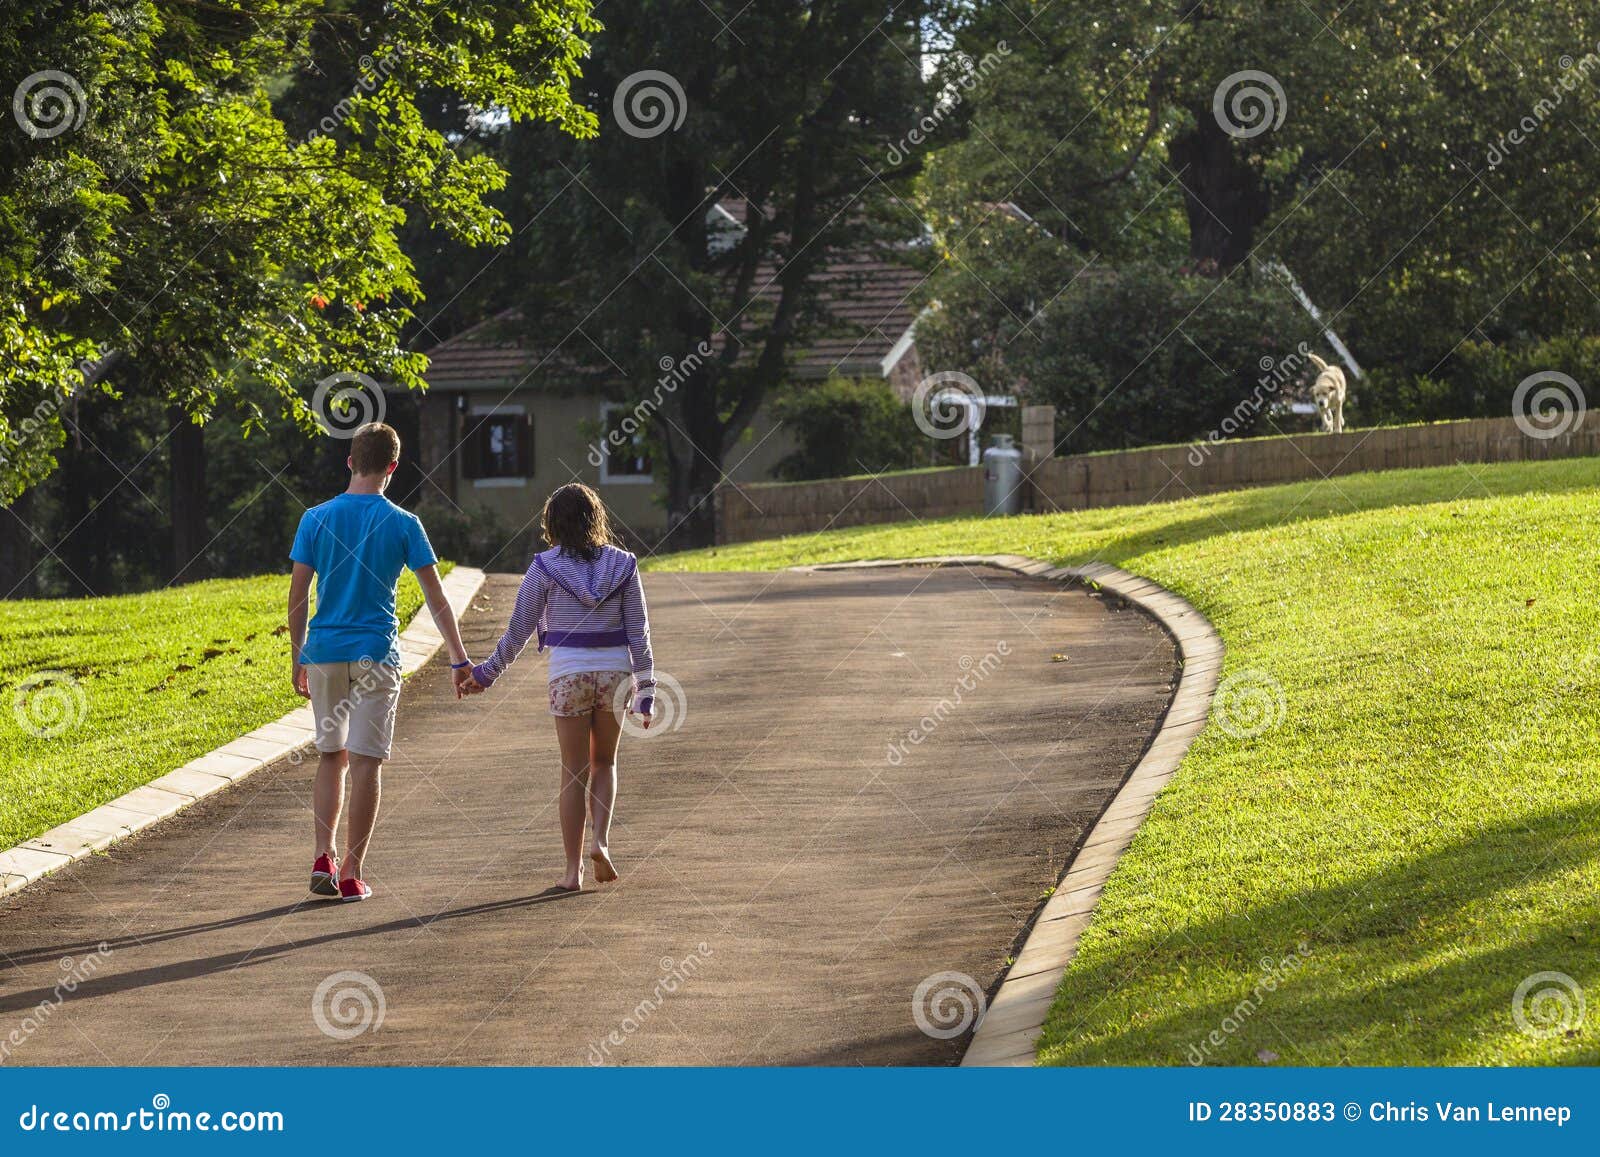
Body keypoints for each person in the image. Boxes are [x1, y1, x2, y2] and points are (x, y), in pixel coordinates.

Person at [287, 422, 475, 902]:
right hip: (376, 655)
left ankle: (322, 855)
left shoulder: (315, 518)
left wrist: (298, 656)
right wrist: (458, 659)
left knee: (332, 757)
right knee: (367, 764)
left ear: (349, 462)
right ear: (392, 468)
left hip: (325, 654)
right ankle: (351, 872)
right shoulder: (405, 524)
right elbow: (435, 599)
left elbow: (298, 595)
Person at [466, 482, 654, 892]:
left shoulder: (544, 567)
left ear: (552, 523)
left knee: (574, 772)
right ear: (596, 519)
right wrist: (647, 688)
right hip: (615, 675)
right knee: (605, 763)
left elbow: (519, 629)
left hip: (567, 675)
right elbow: (638, 631)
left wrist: (487, 673)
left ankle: (573, 872)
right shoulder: (623, 565)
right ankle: (600, 841)